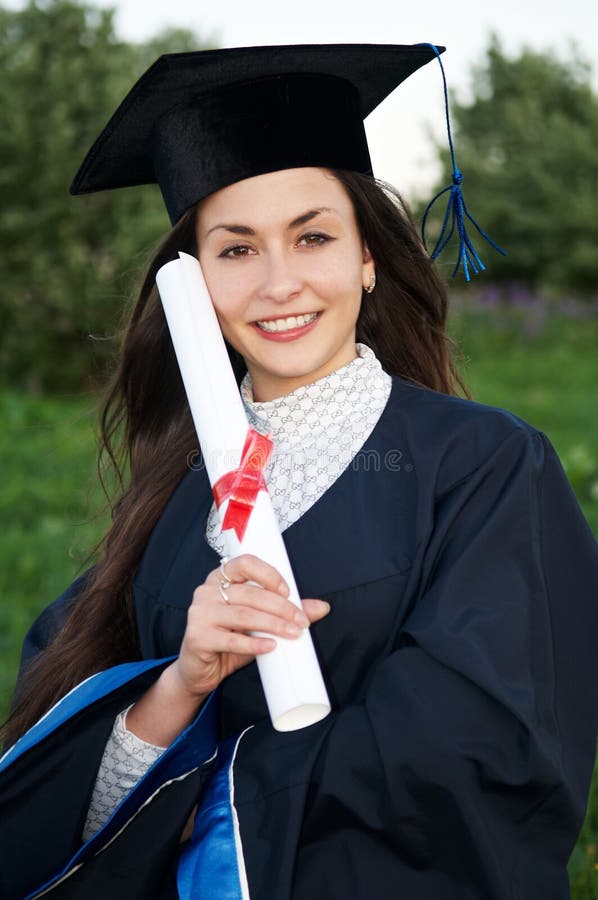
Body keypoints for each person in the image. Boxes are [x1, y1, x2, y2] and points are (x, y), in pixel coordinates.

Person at [1, 43, 597, 900]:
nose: (280, 283)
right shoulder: (177, 486)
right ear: (196, 281)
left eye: (312, 236)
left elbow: (476, 754)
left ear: (367, 257)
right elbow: (59, 738)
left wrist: (197, 812)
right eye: (236, 250)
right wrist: (181, 685)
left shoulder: (485, 466)